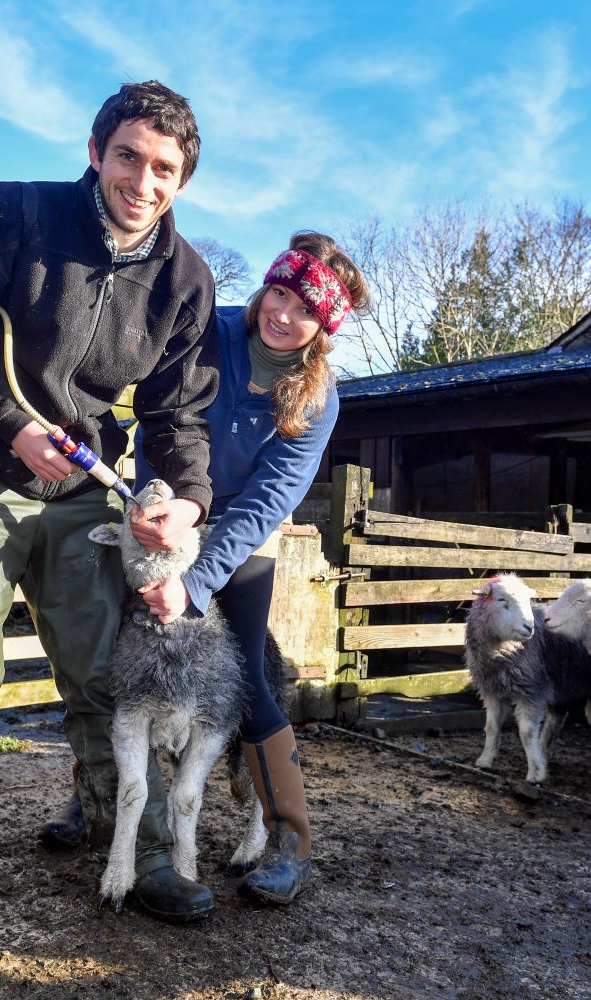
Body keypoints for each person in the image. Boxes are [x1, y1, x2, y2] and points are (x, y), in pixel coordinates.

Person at [0, 80, 221, 952]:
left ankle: (122, 845)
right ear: (96, 151)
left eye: (164, 167)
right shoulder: (6, 213)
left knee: (109, 671)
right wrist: (15, 424)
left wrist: (186, 505)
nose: (143, 180)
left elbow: (177, 415)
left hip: (81, 486)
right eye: (128, 155)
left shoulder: (185, 279)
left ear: (183, 179)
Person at [44, 232, 369, 906]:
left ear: (323, 327)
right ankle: (98, 793)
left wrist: (194, 583)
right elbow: (161, 419)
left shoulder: (316, 397)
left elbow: (272, 497)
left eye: (303, 309)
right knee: (109, 650)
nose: (282, 313)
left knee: (244, 675)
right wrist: (159, 504)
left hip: (238, 536)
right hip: (163, 513)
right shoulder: (209, 333)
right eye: (279, 292)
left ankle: (288, 840)